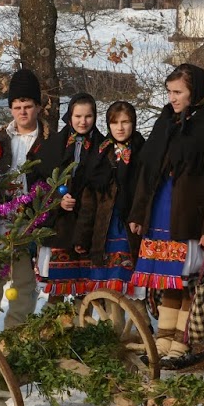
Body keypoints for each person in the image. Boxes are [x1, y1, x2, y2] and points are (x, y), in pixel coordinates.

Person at [129, 64, 204, 366]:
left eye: (178, 92)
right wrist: (139, 212)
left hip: (190, 216)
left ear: (196, 92)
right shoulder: (167, 121)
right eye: (169, 91)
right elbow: (147, 170)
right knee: (168, 280)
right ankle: (164, 339)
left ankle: (183, 342)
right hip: (161, 213)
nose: (172, 98)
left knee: (188, 280)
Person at [0, 68, 48, 329]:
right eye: (17, 106)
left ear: (38, 107)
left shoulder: (48, 139)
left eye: (28, 106)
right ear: (10, 109)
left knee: (23, 284)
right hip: (1, 219)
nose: (23, 112)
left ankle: (14, 336)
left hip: (32, 220)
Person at [70, 100, 146, 292]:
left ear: (133, 123)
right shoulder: (101, 154)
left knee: (133, 287)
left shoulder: (143, 152)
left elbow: (147, 192)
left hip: (131, 227)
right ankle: (114, 323)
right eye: (114, 123)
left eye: (125, 122)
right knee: (108, 288)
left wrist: (140, 217)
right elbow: (89, 201)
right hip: (104, 230)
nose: (120, 128)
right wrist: (82, 236)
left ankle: (141, 321)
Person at [35, 92, 106, 298]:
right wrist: (58, 198)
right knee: (58, 286)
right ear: (70, 116)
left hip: (87, 223)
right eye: (78, 116)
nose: (83, 122)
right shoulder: (54, 145)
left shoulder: (102, 146)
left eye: (88, 117)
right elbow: (39, 182)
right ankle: (55, 326)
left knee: (87, 289)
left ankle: (84, 325)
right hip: (60, 224)